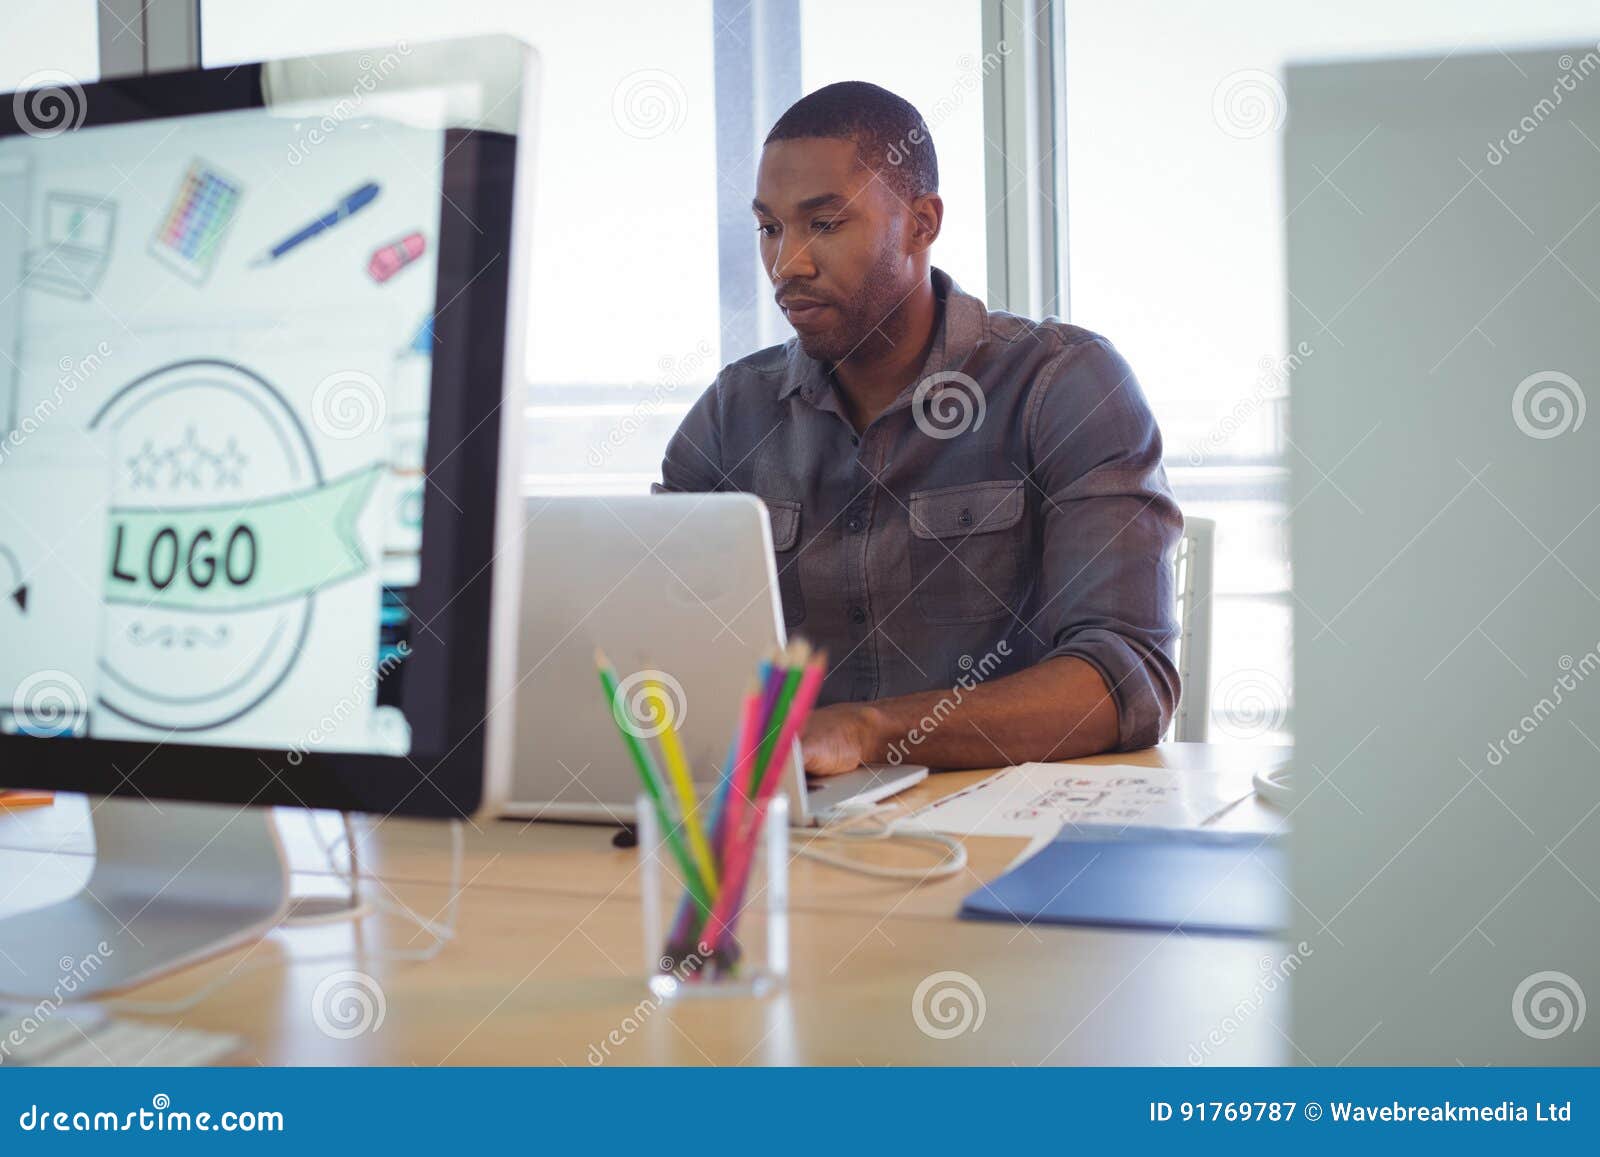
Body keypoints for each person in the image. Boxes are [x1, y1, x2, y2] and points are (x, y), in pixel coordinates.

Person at [657, 81, 1181, 774]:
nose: (788, 264)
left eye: (825, 223)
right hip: (793, 828)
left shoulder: (1064, 385)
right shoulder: (732, 414)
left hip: (1007, 828)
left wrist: (869, 732)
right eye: (770, 227)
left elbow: (1126, 678)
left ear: (922, 222)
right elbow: (651, 640)